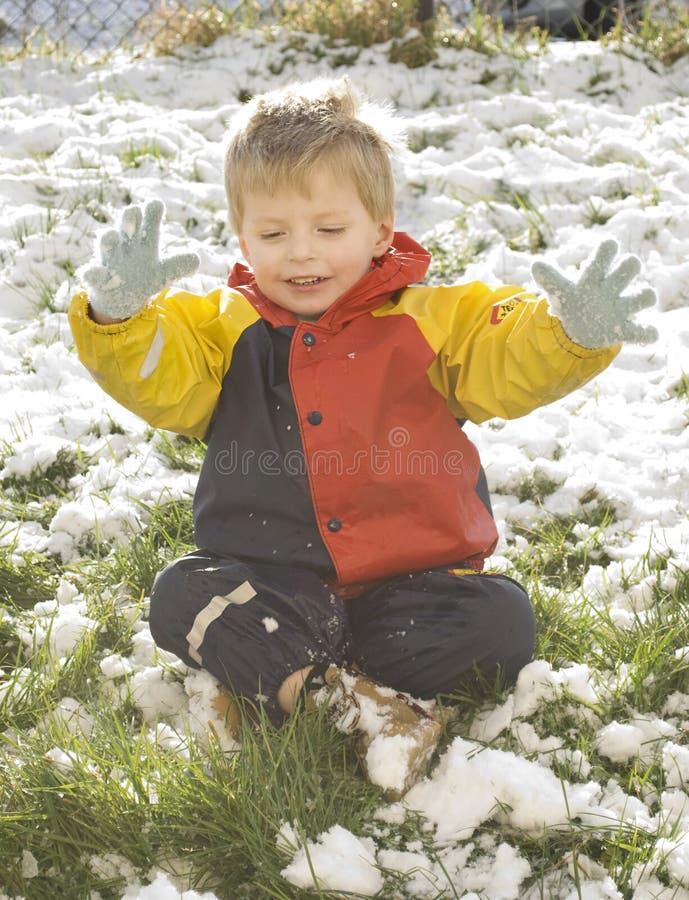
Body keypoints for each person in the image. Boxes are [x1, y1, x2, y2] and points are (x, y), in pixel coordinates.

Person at [68, 77, 657, 797]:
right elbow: (163, 376)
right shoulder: (222, 329)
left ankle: (276, 685)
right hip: (275, 585)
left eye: (328, 229)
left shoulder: (431, 319)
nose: (300, 254)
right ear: (241, 235)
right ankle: (354, 704)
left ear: (380, 229)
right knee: (180, 594)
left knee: (501, 620)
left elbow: (504, 357)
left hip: (411, 592)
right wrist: (120, 319)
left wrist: (568, 330)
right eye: (273, 234)